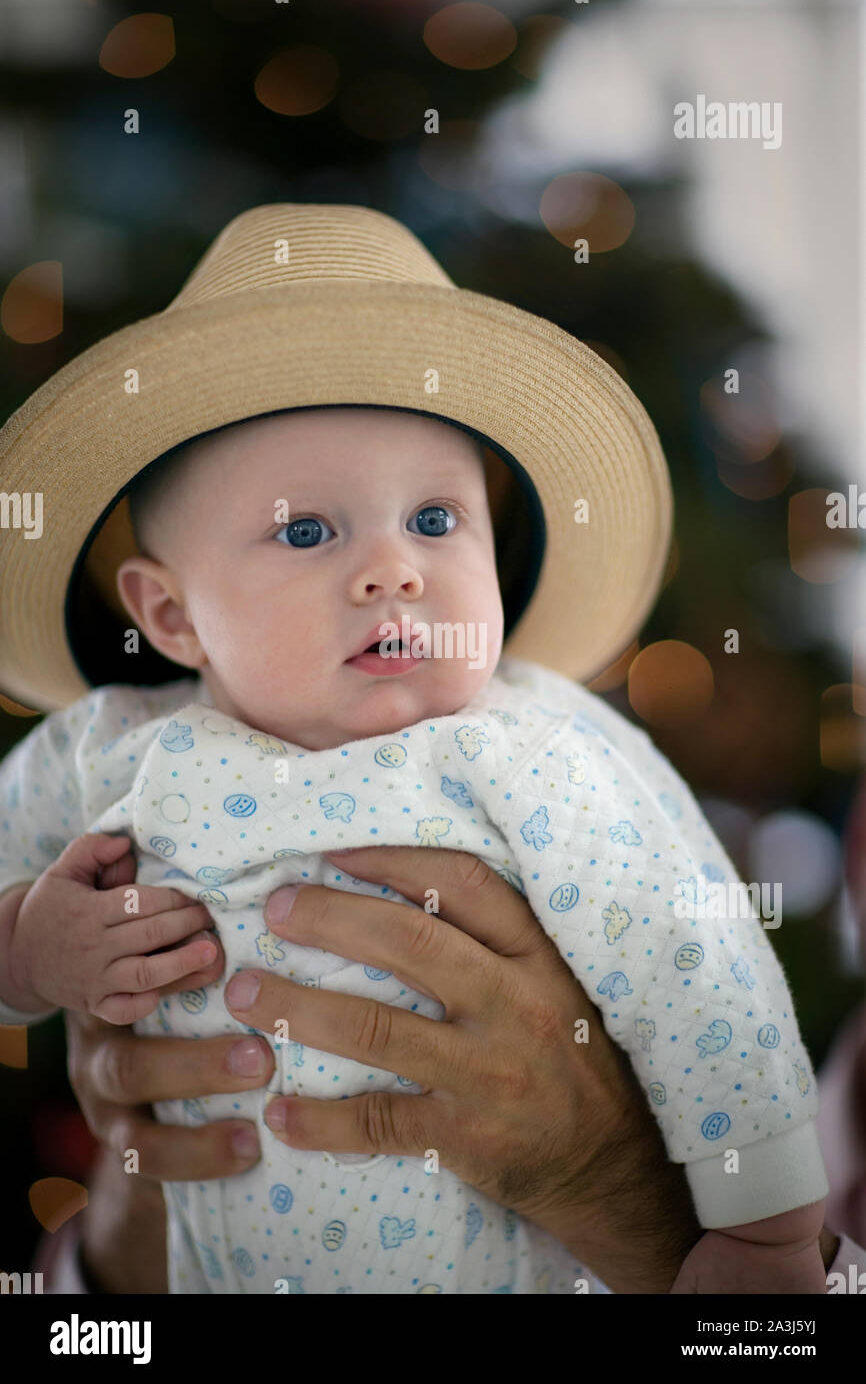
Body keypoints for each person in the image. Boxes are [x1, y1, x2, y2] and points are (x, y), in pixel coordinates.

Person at [0, 203, 856, 1293]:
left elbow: (695, 967)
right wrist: (29, 947)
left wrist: (765, 1233)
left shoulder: (527, 753)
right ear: (170, 616)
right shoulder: (113, 750)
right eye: (307, 532)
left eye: (437, 521)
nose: (393, 569)